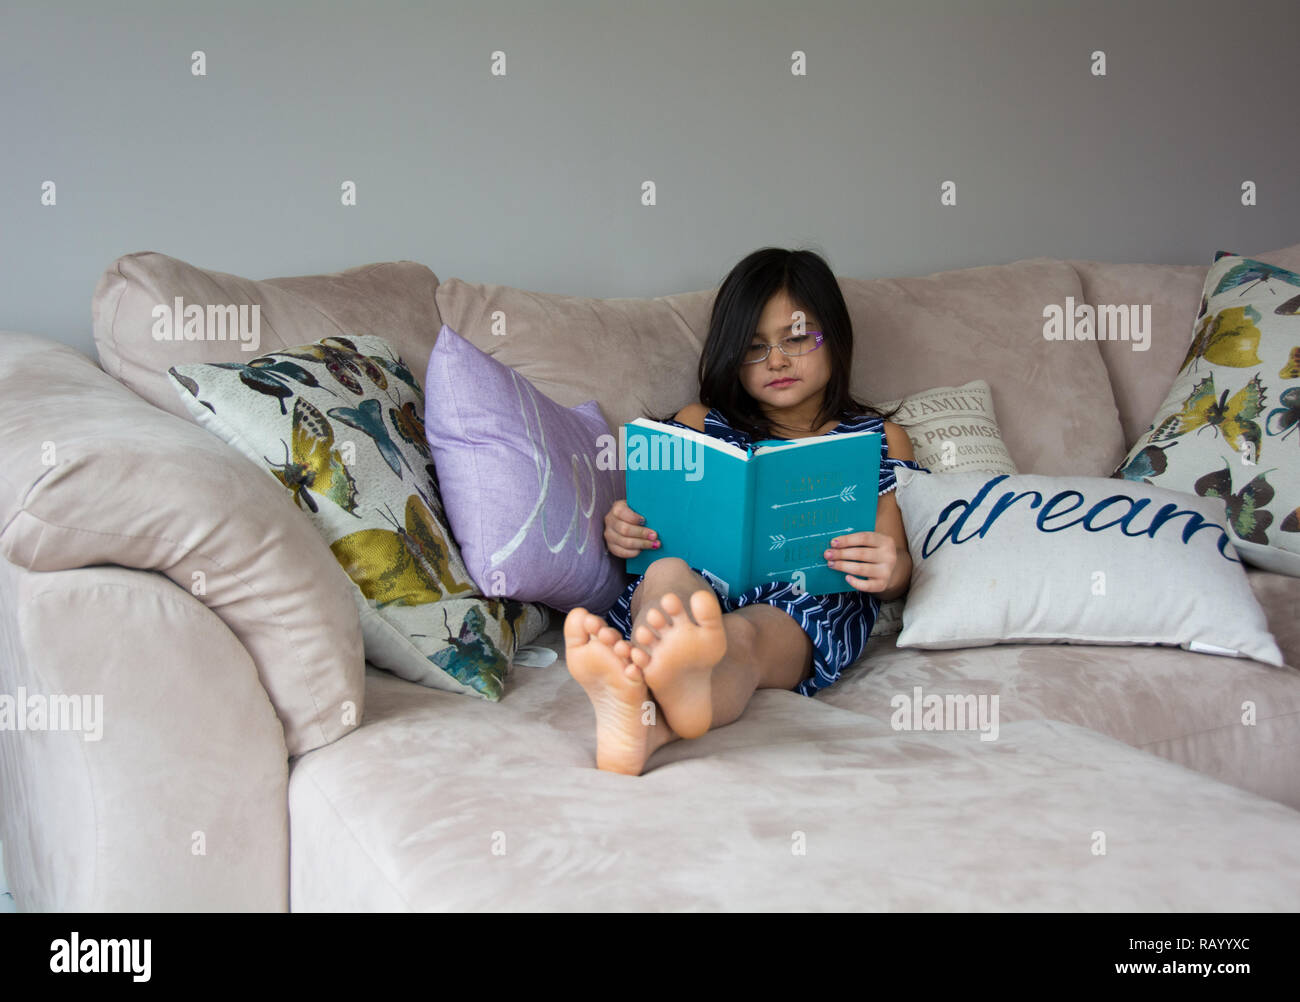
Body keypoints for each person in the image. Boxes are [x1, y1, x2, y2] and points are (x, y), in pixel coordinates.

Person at [565, 247, 930, 775]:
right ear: (732, 358)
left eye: (797, 337)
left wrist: (889, 567)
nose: (777, 360)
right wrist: (623, 528)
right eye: (754, 348)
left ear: (836, 338)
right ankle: (653, 715)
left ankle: (655, 691)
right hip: (697, 583)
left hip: (807, 604)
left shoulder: (881, 439)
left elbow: (895, 563)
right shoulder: (697, 422)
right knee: (667, 574)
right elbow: (651, 521)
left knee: (746, 639)